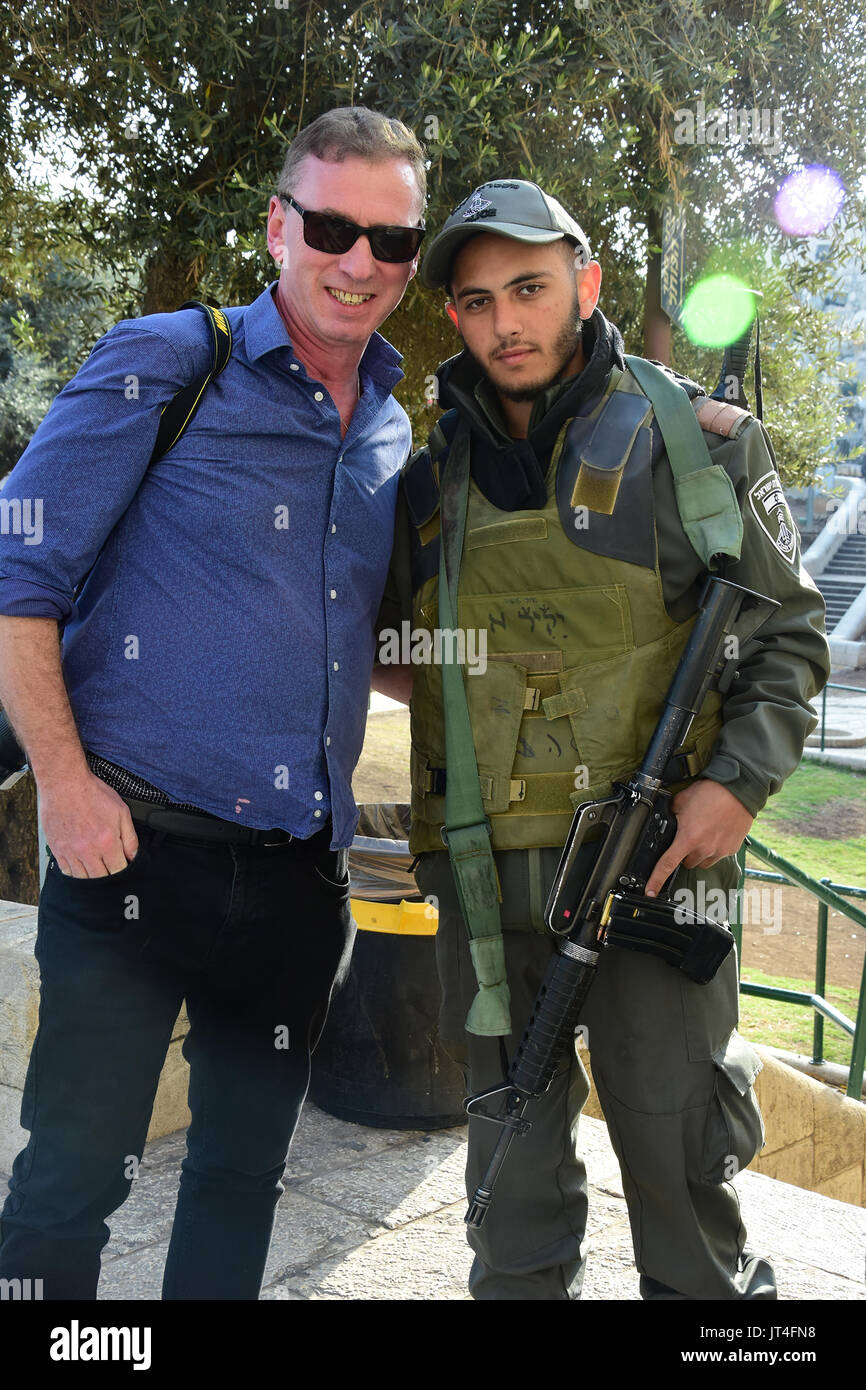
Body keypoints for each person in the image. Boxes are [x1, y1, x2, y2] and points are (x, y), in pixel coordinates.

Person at [374, 178, 830, 1300]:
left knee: (680, 1164)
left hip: (655, 872)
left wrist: (733, 785)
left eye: (527, 289)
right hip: (486, 886)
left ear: (582, 282)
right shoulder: (433, 484)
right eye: (475, 303)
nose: (504, 323)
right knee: (510, 1181)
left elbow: (787, 635)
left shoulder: (696, 443)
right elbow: (392, 647)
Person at [0, 105, 426, 1300]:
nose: (359, 261)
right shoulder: (167, 360)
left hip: (297, 875)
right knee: (73, 1178)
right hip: (132, 851)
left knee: (242, 1177)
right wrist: (67, 788)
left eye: (390, 241)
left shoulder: (390, 428)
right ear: (279, 225)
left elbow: (360, 637)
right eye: (333, 226)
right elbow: (15, 569)